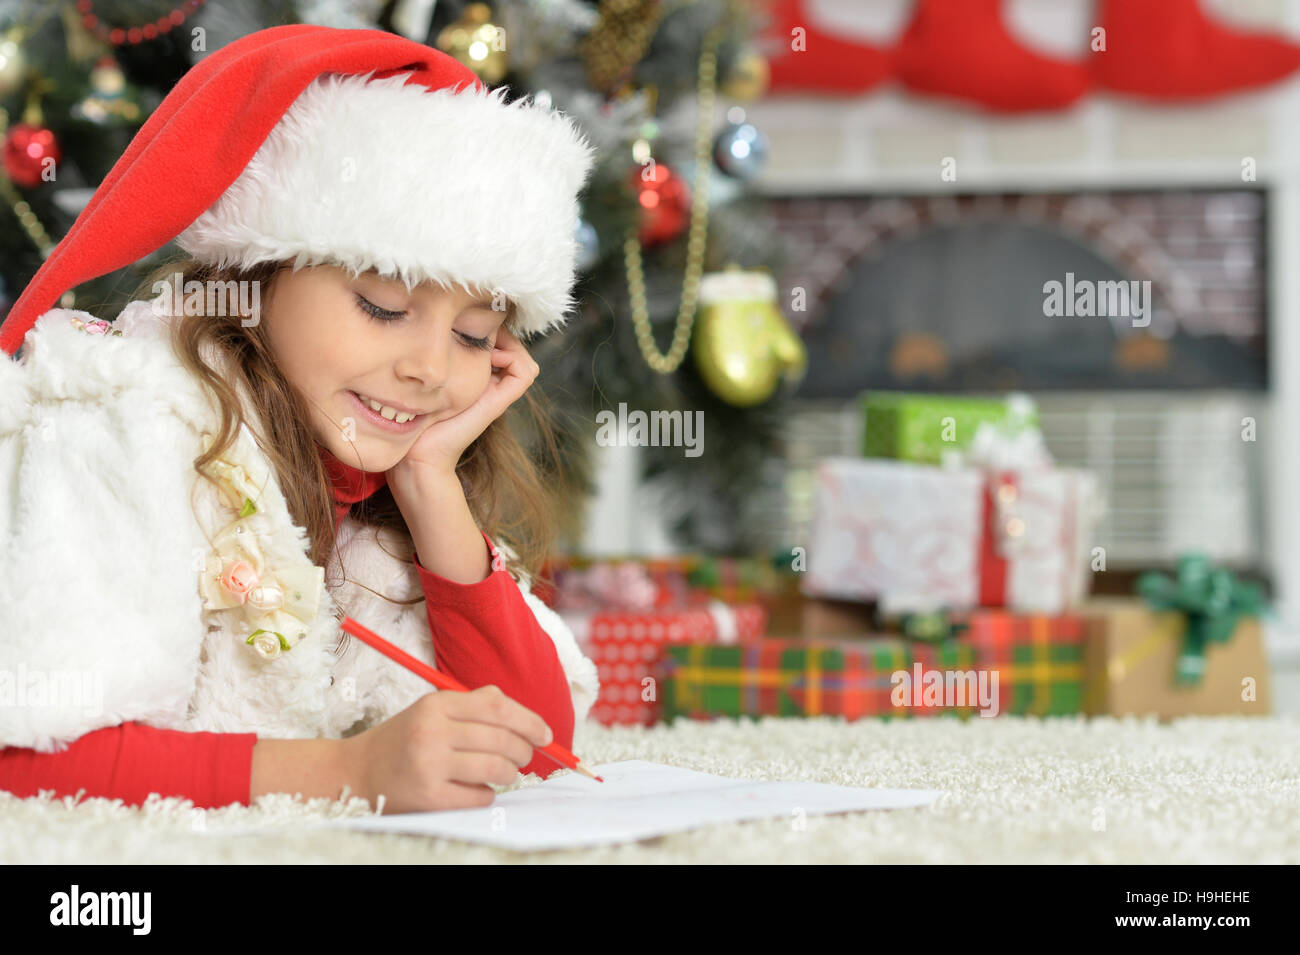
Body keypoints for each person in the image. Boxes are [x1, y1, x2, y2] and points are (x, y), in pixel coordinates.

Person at [0, 25, 600, 815]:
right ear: (259, 272)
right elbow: (27, 759)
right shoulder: (121, 425)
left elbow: (538, 743)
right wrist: (347, 771)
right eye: (384, 307)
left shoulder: (369, 496)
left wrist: (430, 487)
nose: (428, 367)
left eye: (472, 335)